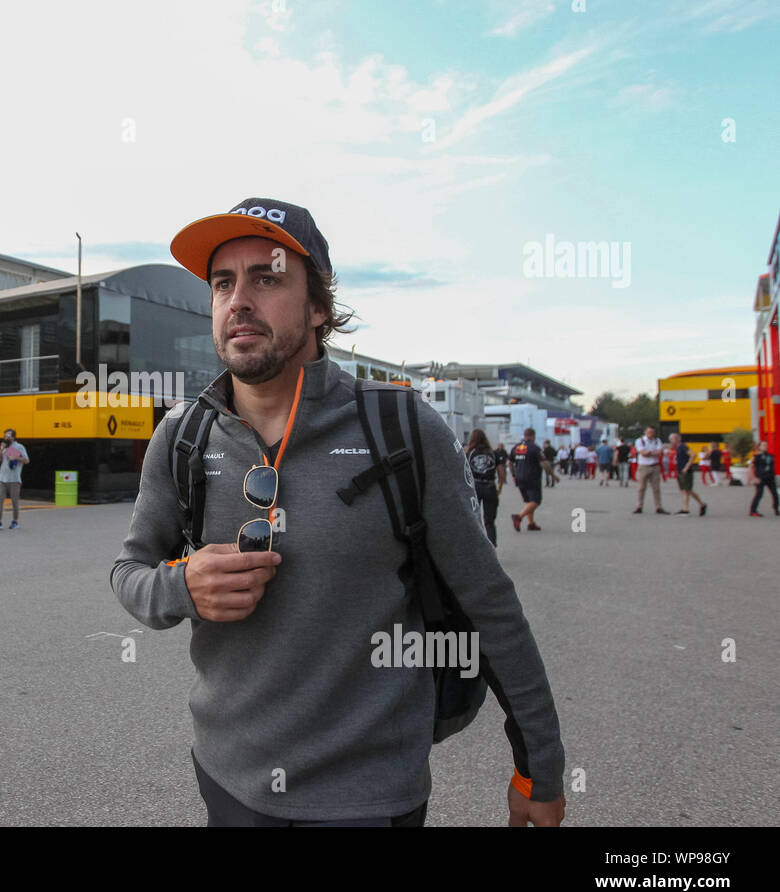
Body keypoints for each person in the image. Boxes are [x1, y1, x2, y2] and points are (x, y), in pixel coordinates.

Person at [110, 197, 565, 827]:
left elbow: (489, 602)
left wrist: (540, 768)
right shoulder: (182, 437)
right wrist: (180, 585)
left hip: (372, 797)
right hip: (227, 780)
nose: (239, 299)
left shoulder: (402, 426)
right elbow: (129, 573)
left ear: (319, 307)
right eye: (223, 283)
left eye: (266, 277)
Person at [466, 429, 504, 547]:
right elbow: (501, 472)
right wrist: (500, 486)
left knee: (474, 519)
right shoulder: (493, 453)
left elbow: (464, 472)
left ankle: (477, 546)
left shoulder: (469, 453)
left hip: (475, 487)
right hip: (490, 486)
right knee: (489, 520)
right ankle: (492, 545)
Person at [0, 428, 29, 530]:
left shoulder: (19, 447)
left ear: (13, 437)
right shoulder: (4, 447)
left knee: (14, 501)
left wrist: (16, 457)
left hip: (14, 479)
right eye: (4, 436)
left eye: (7, 436)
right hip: (1, 479)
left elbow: (26, 461)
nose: (5, 438)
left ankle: (15, 521)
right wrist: (1, 449)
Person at [510, 428, 546, 531]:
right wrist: (552, 475)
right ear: (533, 436)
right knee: (535, 501)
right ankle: (519, 517)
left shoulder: (516, 447)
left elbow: (510, 461)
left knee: (528, 500)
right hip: (532, 477)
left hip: (519, 477)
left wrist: (513, 475)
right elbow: (544, 462)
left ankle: (531, 524)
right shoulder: (534, 448)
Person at [633, 427, 669, 514]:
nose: (651, 434)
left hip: (655, 466)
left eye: (652, 432)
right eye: (649, 432)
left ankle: (658, 507)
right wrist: (653, 452)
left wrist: (649, 452)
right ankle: (639, 506)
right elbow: (643, 453)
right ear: (645, 432)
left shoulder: (657, 440)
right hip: (644, 466)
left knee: (656, 488)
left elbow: (660, 452)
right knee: (641, 487)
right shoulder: (640, 441)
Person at [670, 433, 706, 516]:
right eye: (671, 439)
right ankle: (701, 505)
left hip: (686, 471)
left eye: (673, 439)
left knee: (687, 490)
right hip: (680, 471)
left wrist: (687, 466)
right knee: (685, 490)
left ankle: (686, 509)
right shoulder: (678, 448)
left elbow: (693, 454)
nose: (671, 441)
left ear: (678, 439)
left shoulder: (683, 446)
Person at [748, 441, 778, 517]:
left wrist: (774, 477)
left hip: (770, 478)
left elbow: (772, 467)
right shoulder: (756, 456)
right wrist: (754, 478)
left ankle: (776, 509)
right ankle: (753, 510)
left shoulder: (771, 456)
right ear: (759, 447)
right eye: (763, 445)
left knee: (775, 494)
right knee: (759, 494)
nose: (765, 446)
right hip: (760, 478)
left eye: (766, 445)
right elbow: (751, 467)